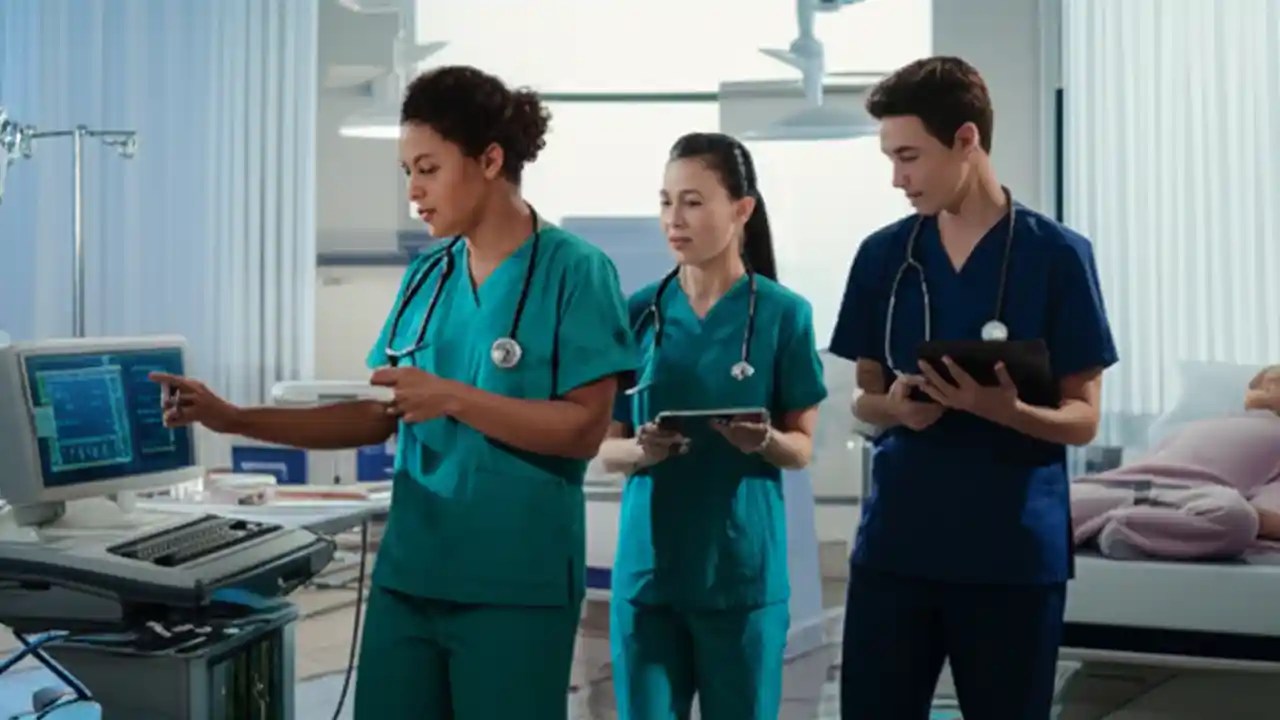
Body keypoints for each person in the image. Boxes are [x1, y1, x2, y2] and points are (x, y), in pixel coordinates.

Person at [151, 65, 636, 719]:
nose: (414, 191)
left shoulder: (575, 271)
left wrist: (454, 398)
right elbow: (378, 415)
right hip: (412, 574)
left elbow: (582, 430)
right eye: (408, 171)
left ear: (490, 160)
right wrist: (231, 417)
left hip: (515, 583)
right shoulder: (428, 276)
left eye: (428, 169)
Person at [829, 56, 1120, 719]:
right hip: (898, 547)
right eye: (890, 159)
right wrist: (894, 409)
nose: (897, 178)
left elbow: (1083, 419)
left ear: (966, 140)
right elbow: (861, 395)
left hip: (1010, 556)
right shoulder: (884, 256)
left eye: (909, 157)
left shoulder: (1058, 256)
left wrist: (1004, 410)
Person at [596, 132, 828, 720]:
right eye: (666, 202)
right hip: (649, 575)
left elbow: (802, 448)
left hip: (740, 574)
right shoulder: (637, 313)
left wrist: (764, 440)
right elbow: (604, 449)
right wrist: (642, 452)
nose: (674, 219)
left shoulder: (783, 315)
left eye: (693, 202)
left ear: (741, 209)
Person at [1073, 364, 1280, 560]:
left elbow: (1264, 520)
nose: (1271, 388)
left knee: (1239, 518)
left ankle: (1122, 529)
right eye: (1267, 382)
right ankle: (1121, 527)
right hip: (1106, 489)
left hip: (1188, 502)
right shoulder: (1197, 426)